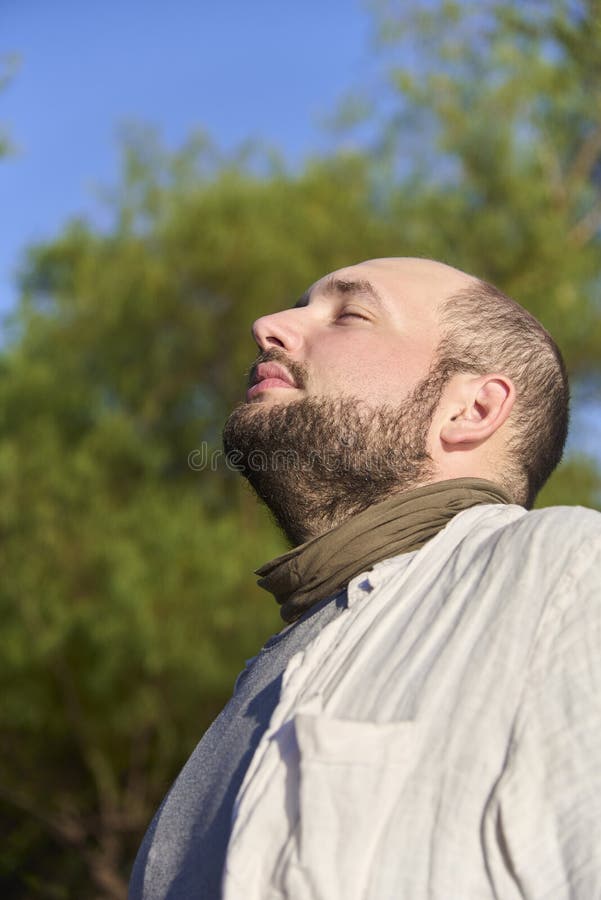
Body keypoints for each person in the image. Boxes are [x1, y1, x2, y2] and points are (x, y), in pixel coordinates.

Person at [129, 258, 601, 899]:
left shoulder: (565, 573)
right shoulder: (264, 676)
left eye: (350, 313)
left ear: (471, 409)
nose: (267, 326)